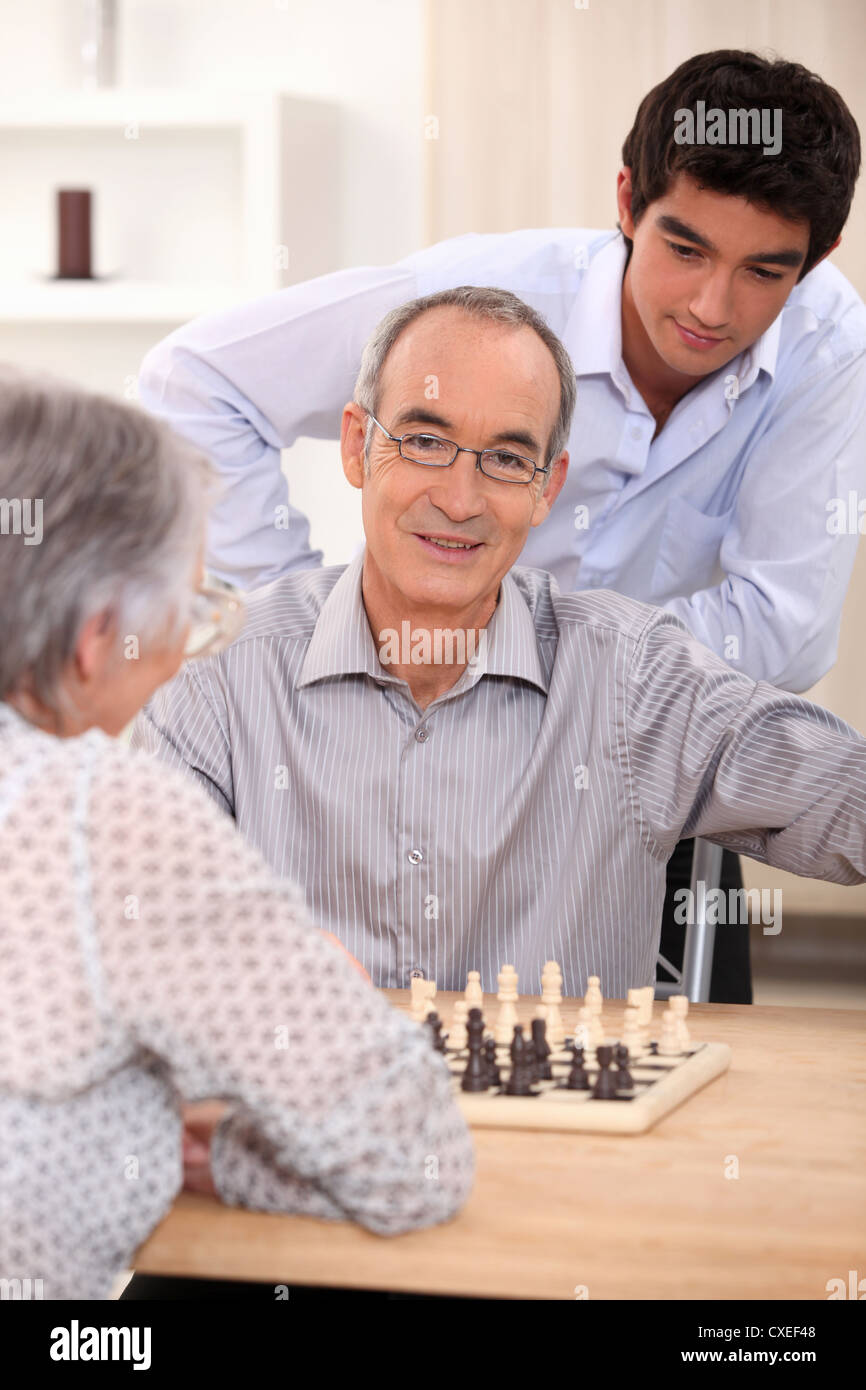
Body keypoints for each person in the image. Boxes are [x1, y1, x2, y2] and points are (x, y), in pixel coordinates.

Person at [135, 50, 866, 1004]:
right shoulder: (477, 305)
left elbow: (793, 638)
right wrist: (310, 623)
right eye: (684, 250)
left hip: (628, 771)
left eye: (509, 459)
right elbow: (196, 385)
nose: (710, 306)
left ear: (549, 482)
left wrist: (590, 690)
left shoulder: (824, 348)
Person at [0, 365, 474, 1302]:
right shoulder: (102, 815)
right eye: (190, 613)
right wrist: (221, 1154)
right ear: (100, 636)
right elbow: (413, 1160)